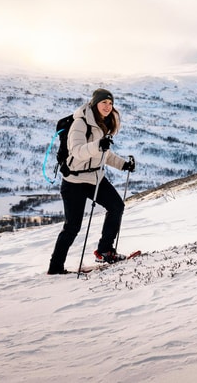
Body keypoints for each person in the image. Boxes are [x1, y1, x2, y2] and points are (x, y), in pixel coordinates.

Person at [47, 88, 137, 274]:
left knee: (116, 207)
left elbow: (104, 153)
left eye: (110, 103)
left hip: (96, 178)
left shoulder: (102, 123)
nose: (107, 106)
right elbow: (77, 151)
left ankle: (105, 250)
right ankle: (55, 267)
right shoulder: (80, 123)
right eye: (104, 102)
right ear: (95, 103)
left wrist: (123, 165)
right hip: (74, 181)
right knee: (72, 227)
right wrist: (98, 145)